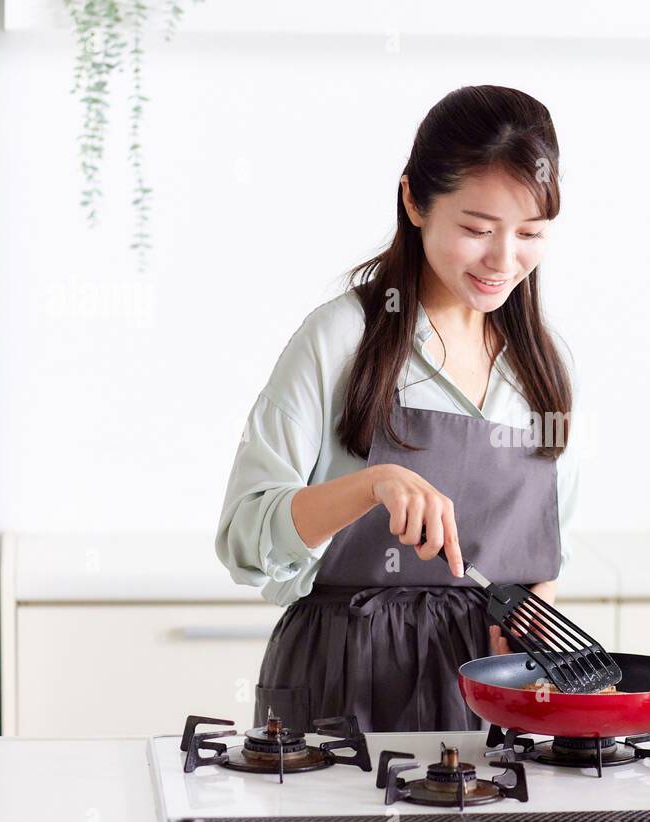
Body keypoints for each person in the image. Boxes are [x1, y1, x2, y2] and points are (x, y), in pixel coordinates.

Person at [214, 85, 578, 733]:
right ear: (413, 200)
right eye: (475, 229)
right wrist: (370, 485)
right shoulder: (341, 338)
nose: (502, 259)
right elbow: (246, 535)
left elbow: (544, 554)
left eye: (530, 233)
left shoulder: (545, 367)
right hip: (341, 678)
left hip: (491, 694)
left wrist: (531, 624)